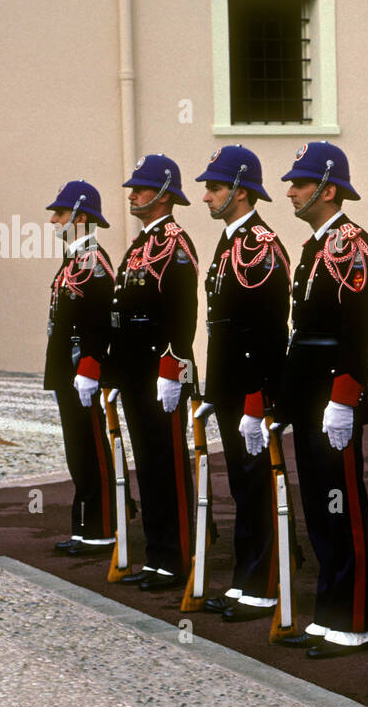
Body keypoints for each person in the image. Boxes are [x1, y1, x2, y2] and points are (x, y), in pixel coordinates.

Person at [274, 141, 368, 657]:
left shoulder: (351, 245)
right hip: (309, 394)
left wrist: (344, 396)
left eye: (299, 183)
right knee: (319, 507)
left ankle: (353, 619)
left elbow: (358, 330)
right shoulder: (317, 247)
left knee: (343, 508)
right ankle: (329, 610)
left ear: (327, 188)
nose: (291, 191)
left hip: (332, 397)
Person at [191, 145, 290, 622]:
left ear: (240, 190)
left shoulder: (259, 245)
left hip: (252, 390)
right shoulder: (232, 241)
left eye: (214, 187)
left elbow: (268, 332)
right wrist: (217, 392)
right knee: (241, 486)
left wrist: (257, 396)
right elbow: (223, 328)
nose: (206, 197)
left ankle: (263, 585)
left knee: (257, 486)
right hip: (233, 389)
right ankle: (246, 579)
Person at [110, 154, 199, 591]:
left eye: (141, 187)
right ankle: (157, 553)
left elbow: (182, 314)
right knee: (148, 464)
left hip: (161, 372)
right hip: (134, 372)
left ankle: (177, 556)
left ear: (163, 194)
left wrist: (172, 366)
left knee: (168, 464)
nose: (133, 193)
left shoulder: (175, 243)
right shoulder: (141, 245)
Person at [44, 180, 117, 556]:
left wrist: (89, 368)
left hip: (81, 372)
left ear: (80, 216)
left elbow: (98, 324)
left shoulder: (93, 263)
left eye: (60, 212)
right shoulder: (75, 260)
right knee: (78, 449)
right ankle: (86, 527)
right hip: (68, 370)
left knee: (91, 448)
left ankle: (101, 528)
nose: (54, 220)